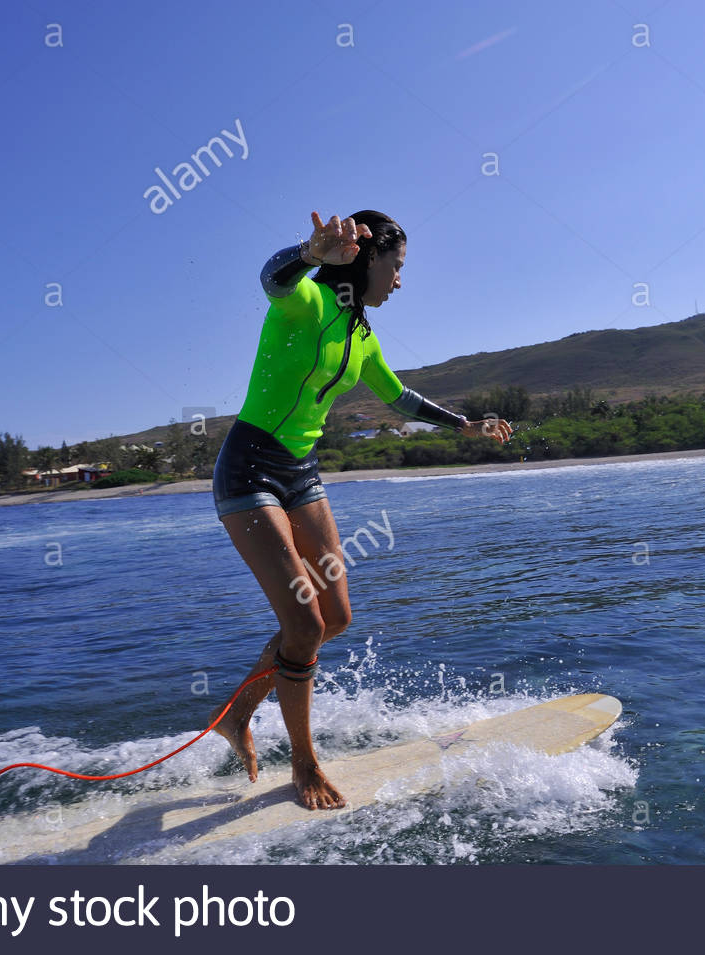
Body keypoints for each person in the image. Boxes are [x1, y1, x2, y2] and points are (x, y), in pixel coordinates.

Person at [210, 210, 513, 809]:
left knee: (336, 616)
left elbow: (397, 396)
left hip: (301, 471)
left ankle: (235, 713)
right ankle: (304, 764)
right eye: (395, 268)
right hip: (249, 469)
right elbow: (272, 280)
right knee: (304, 624)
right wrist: (310, 249)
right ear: (366, 259)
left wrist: (464, 425)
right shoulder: (309, 302)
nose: (400, 281)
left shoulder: (361, 333)